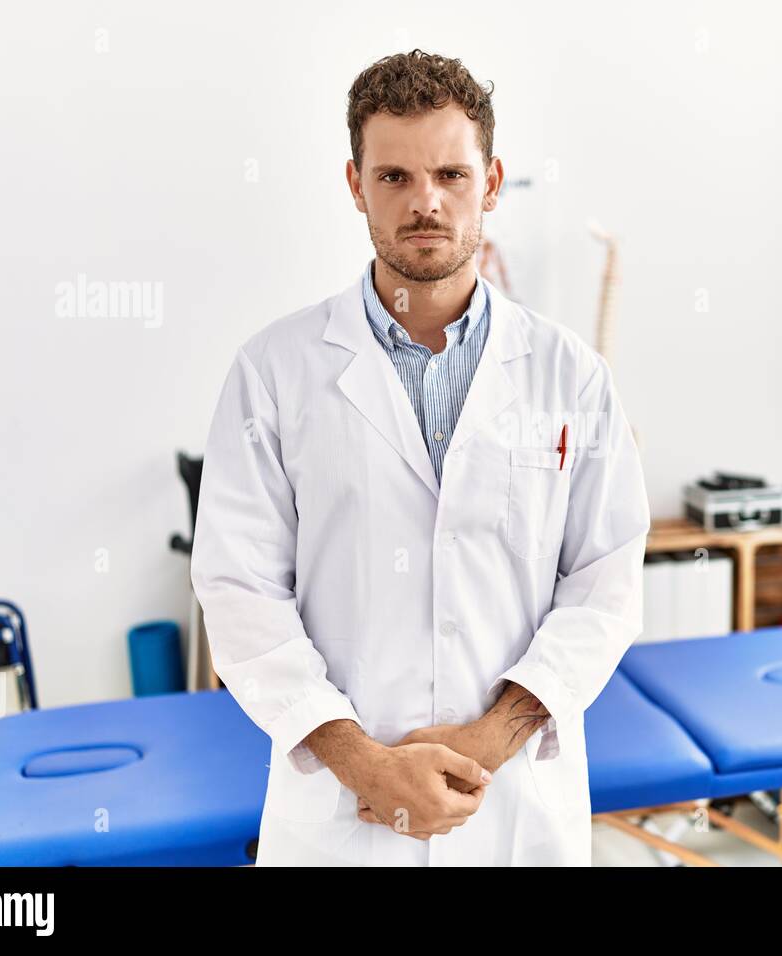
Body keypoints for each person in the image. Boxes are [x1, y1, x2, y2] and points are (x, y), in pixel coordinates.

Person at [190, 49, 650, 866]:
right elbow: (238, 592)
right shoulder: (274, 371)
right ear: (355, 184)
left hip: (514, 813)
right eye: (394, 177)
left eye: (450, 173)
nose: (426, 202)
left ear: (492, 181)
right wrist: (363, 762)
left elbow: (605, 584)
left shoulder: (569, 375)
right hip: (342, 818)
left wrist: (490, 739)